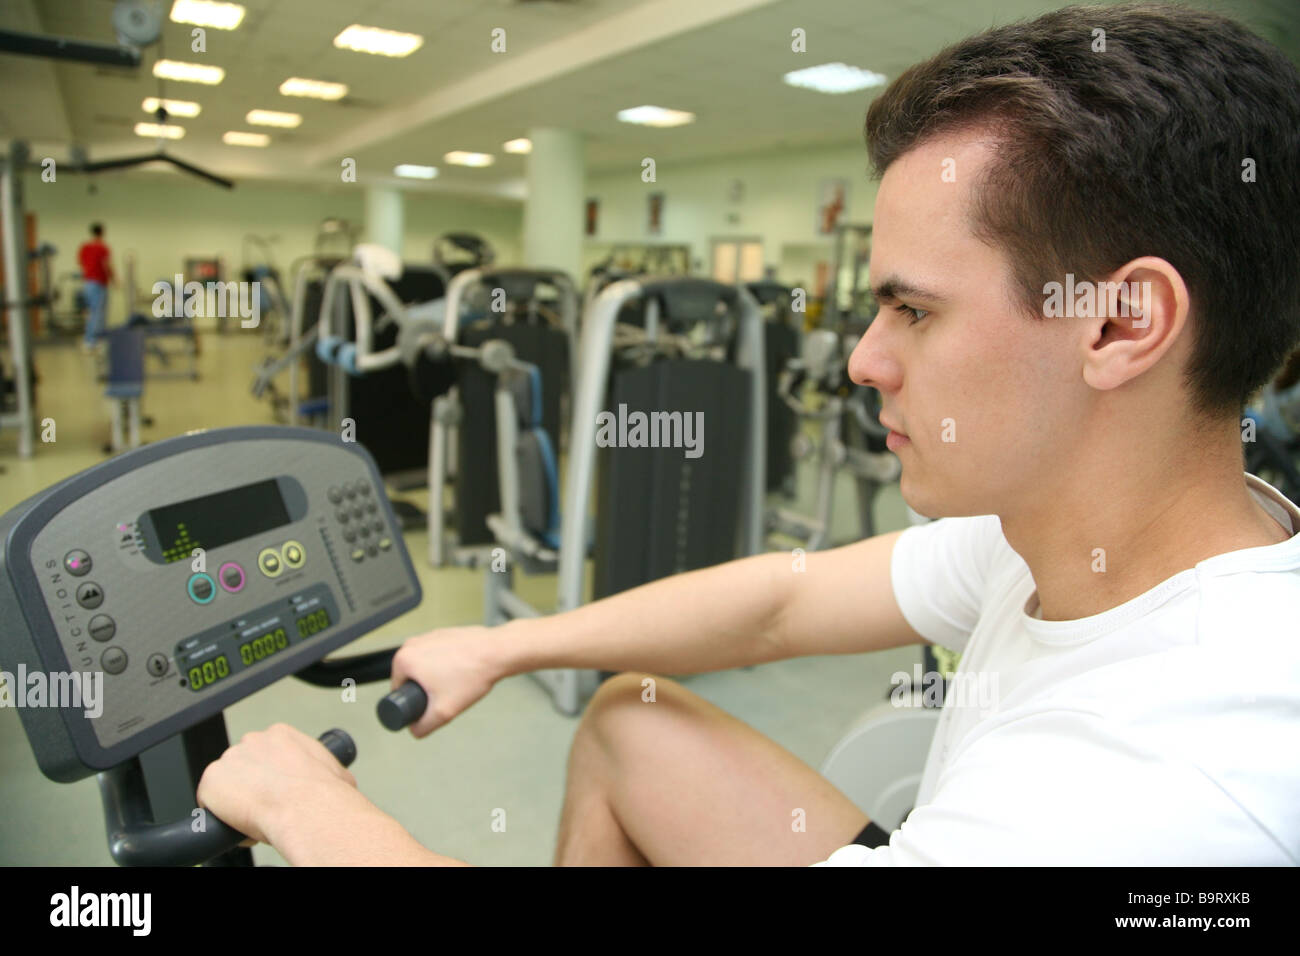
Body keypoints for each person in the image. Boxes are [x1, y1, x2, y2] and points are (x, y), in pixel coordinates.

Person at [197, 2, 1300, 866]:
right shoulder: (1063, 532)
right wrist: (503, 643)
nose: (865, 358)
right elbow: (784, 600)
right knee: (632, 720)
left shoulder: (1173, 782)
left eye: (912, 310)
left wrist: (309, 809)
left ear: (1117, 323)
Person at [77, 222, 113, 348]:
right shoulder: (102, 247)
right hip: (99, 283)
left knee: (92, 312)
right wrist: (114, 279)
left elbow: (81, 264)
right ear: (102, 232)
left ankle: (90, 339)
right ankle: (94, 341)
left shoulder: (85, 247)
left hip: (88, 283)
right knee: (98, 313)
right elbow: (106, 265)